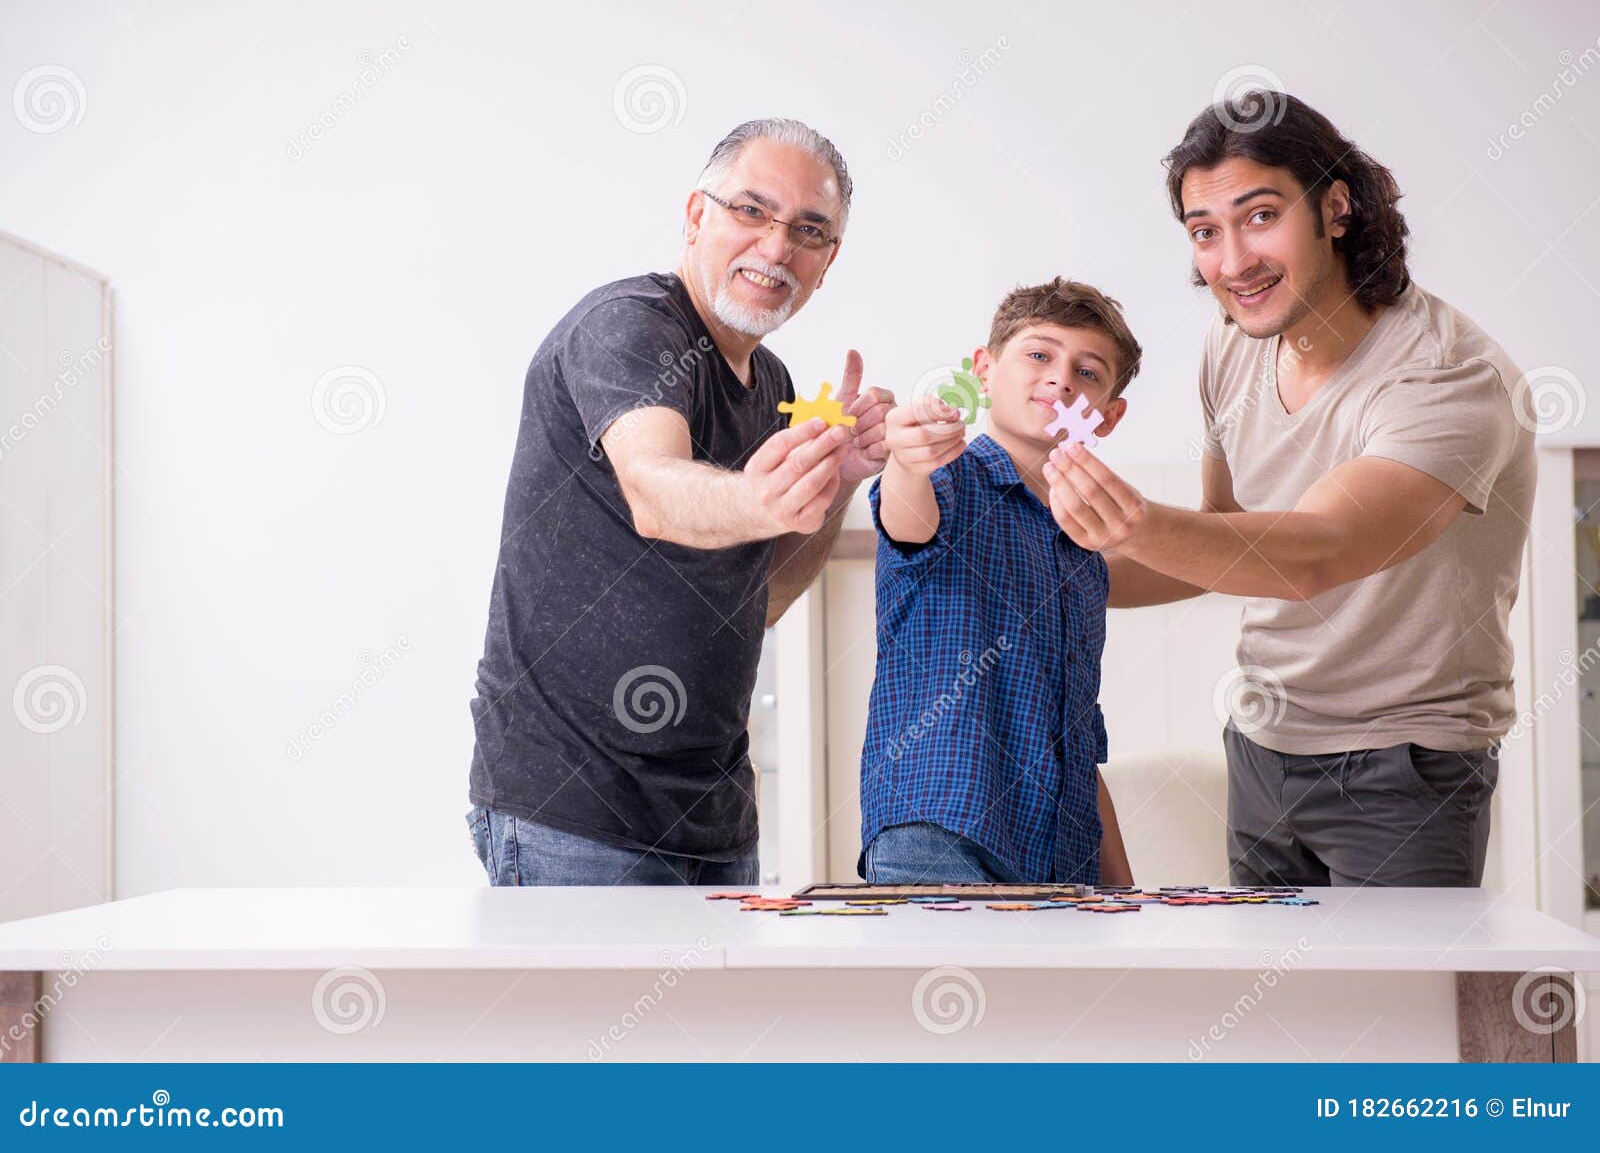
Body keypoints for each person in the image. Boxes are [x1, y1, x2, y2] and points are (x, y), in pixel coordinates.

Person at [1044, 92, 1535, 887]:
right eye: (1206, 232)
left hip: (1405, 765)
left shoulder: (1446, 376)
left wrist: (1129, 523)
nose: (1234, 262)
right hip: (1262, 747)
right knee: (1273, 976)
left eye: (1261, 216)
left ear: (1334, 208)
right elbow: (1223, 536)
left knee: (1392, 975)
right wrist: (1038, 578)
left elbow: (1316, 554)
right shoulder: (1232, 345)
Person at [465, 118, 895, 886]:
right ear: (697, 216)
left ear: (827, 261)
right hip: (575, 810)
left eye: (808, 230)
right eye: (752, 210)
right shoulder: (629, 326)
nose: (775, 248)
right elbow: (655, 490)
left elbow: (761, 601)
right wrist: (763, 498)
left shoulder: (773, 386)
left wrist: (839, 482)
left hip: (714, 818)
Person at [859, 277, 1141, 885]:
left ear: (1109, 417)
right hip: (940, 839)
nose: (1060, 380)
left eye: (1087, 372)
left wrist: (1123, 890)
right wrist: (906, 459)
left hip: (1059, 859)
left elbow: (1077, 745)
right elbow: (906, 520)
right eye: (1039, 355)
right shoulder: (947, 478)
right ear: (984, 371)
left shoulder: (1086, 557)